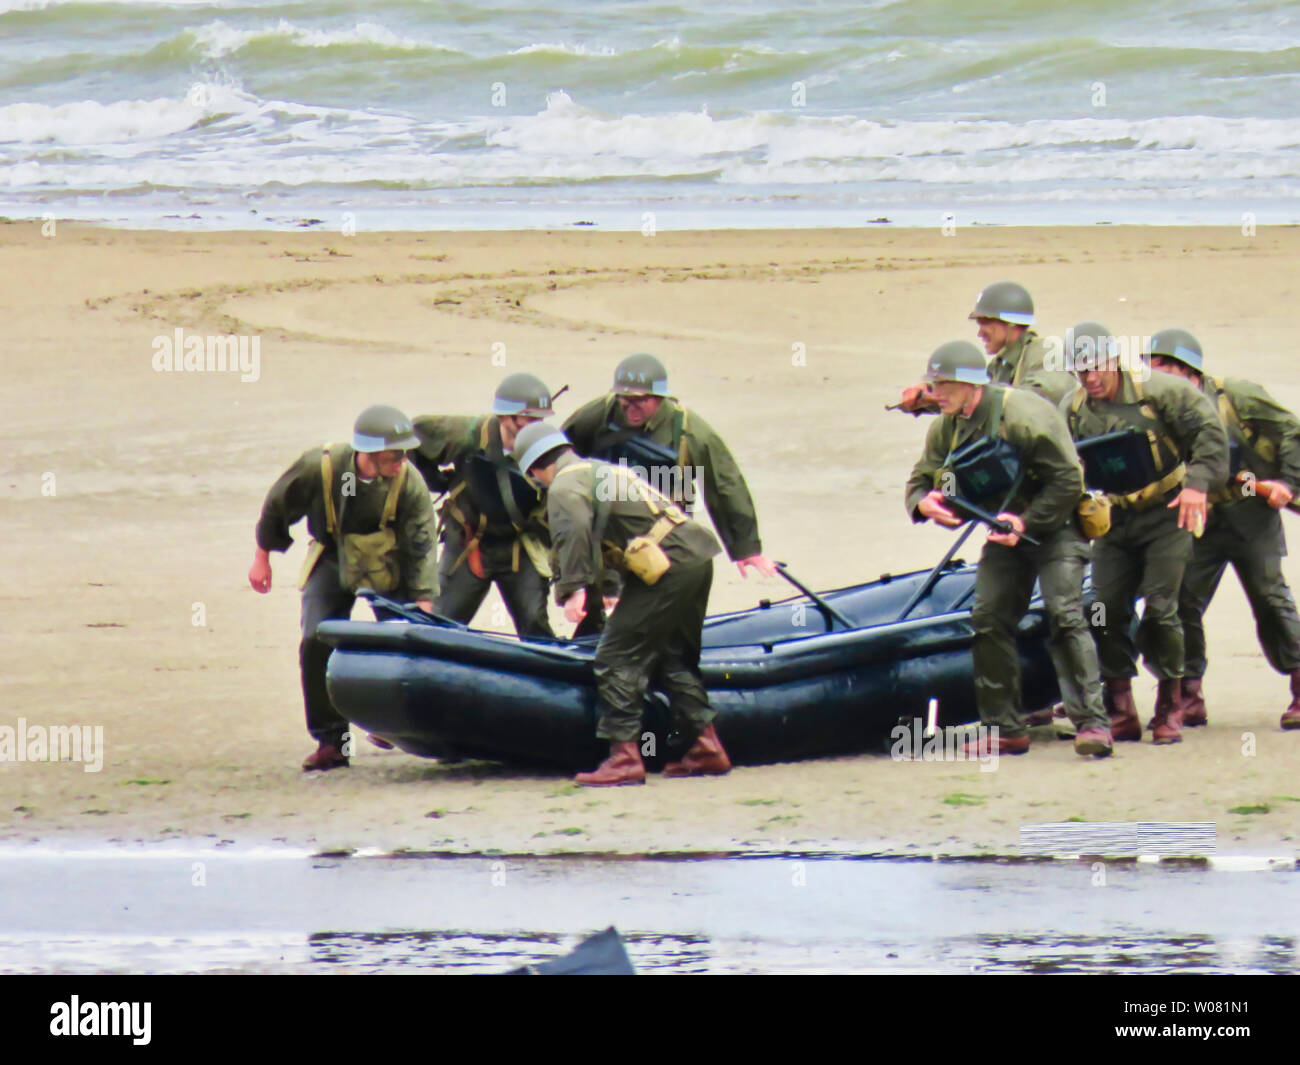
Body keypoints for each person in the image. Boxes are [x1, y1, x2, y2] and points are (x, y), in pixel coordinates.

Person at [905, 340, 1113, 757]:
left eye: (944, 384)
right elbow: (920, 479)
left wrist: (1027, 522)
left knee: (1065, 613)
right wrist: (922, 503)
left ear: (972, 385)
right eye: (933, 384)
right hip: (1003, 531)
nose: (936, 392)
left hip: (1056, 527)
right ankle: (1004, 727)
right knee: (988, 617)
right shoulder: (945, 427)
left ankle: (1092, 723)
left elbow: (1069, 480)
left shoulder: (1025, 415)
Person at [513, 421, 730, 786]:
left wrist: (573, 589)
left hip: (668, 563)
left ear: (534, 469)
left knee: (615, 656)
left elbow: (573, 532)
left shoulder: (564, 486)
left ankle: (625, 758)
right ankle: (707, 748)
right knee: (671, 652)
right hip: (693, 553)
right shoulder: (601, 471)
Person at [1060, 323, 1229, 745]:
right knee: (1102, 609)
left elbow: (1211, 436)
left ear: (1113, 359)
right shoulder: (1074, 409)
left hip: (1167, 512)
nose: (1091, 378)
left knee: (1161, 608)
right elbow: (1060, 462)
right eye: (1081, 371)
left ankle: (1170, 706)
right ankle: (1121, 707)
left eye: (1096, 367)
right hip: (1114, 518)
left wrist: (1198, 484)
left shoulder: (1163, 391)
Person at [250, 405, 438, 770]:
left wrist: (423, 601)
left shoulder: (409, 481)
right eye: (393, 454)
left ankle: (393, 726)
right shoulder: (319, 467)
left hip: (387, 559)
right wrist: (262, 556)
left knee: (405, 640)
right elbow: (277, 506)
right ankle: (332, 741)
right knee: (315, 640)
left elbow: (421, 544)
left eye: (404, 453)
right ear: (367, 452)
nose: (401, 460)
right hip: (332, 555)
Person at [1147, 328, 1300, 730]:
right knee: (1181, 601)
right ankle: (1188, 695)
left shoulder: (1237, 395)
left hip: (1251, 514)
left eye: (1161, 368)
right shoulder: (1157, 411)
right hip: (1201, 519)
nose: (1153, 378)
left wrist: (1288, 483)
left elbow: (1290, 429)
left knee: (1270, 598)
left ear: (1186, 369)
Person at [563, 353, 777, 581]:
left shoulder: (691, 431)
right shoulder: (598, 416)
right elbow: (560, 458)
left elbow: (725, 484)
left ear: (659, 397)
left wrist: (746, 549)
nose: (631, 409)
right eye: (625, 401)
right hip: (608, 535)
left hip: (667, 537)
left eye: (640, 401)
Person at [409, 373, 556, 637]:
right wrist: (438, 481)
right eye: (528, 418)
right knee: (440, 625)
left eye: (539, 419)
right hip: (470, 543)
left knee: (536, 627)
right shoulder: (466, 435)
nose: (535, 425)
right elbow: (415, 435)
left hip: (519, 546)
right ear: (505, 417)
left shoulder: (548, 447)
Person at [896, 281, 1074, 414]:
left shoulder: (1047, 352)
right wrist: (929, 395)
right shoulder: (999, 365)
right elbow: (974, 400)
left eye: (985, 323)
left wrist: (966, 392)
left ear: (1010, 323)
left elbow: (1039, 400)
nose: (980, 333)